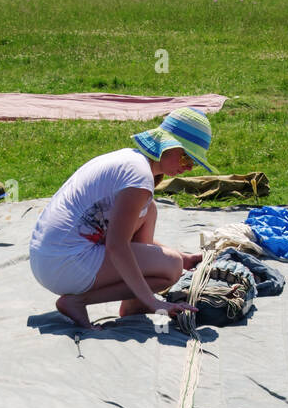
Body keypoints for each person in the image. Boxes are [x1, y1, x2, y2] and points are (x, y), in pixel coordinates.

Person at [29, 108, 218, 327]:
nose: (189, 167)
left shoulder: (131, 160)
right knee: (171, 268)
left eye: (193, 162)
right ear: (166, 144)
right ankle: (78, 301)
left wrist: (184, 257)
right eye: (186, 156)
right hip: (63, 264)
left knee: (151, 211)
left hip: (47, 258)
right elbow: (117, 246)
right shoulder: (139, 178)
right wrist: (155, 302)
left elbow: (120, 233)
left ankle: (133, 303)